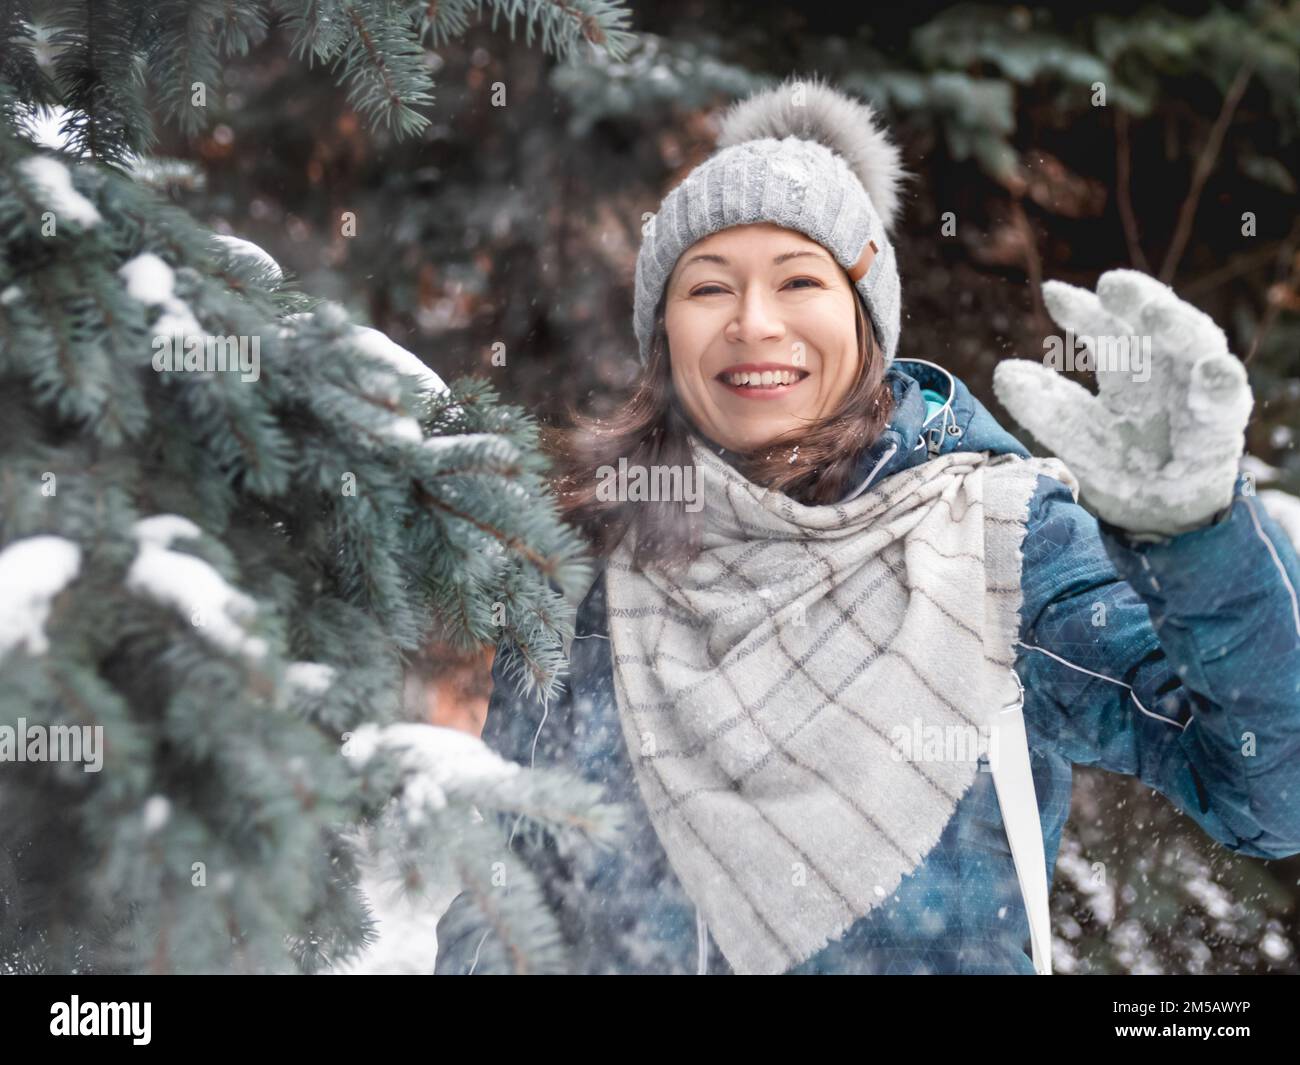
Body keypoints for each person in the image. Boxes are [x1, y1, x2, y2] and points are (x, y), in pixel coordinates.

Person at [434, 74, 1300, 975]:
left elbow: (1272, 793)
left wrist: (1199, 537)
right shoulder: (589, 568)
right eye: (708, 288)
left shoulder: (1000, 544)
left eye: (800, 278)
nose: (753, 323)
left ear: (866, 317)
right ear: (663, 334)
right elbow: (509, 878)